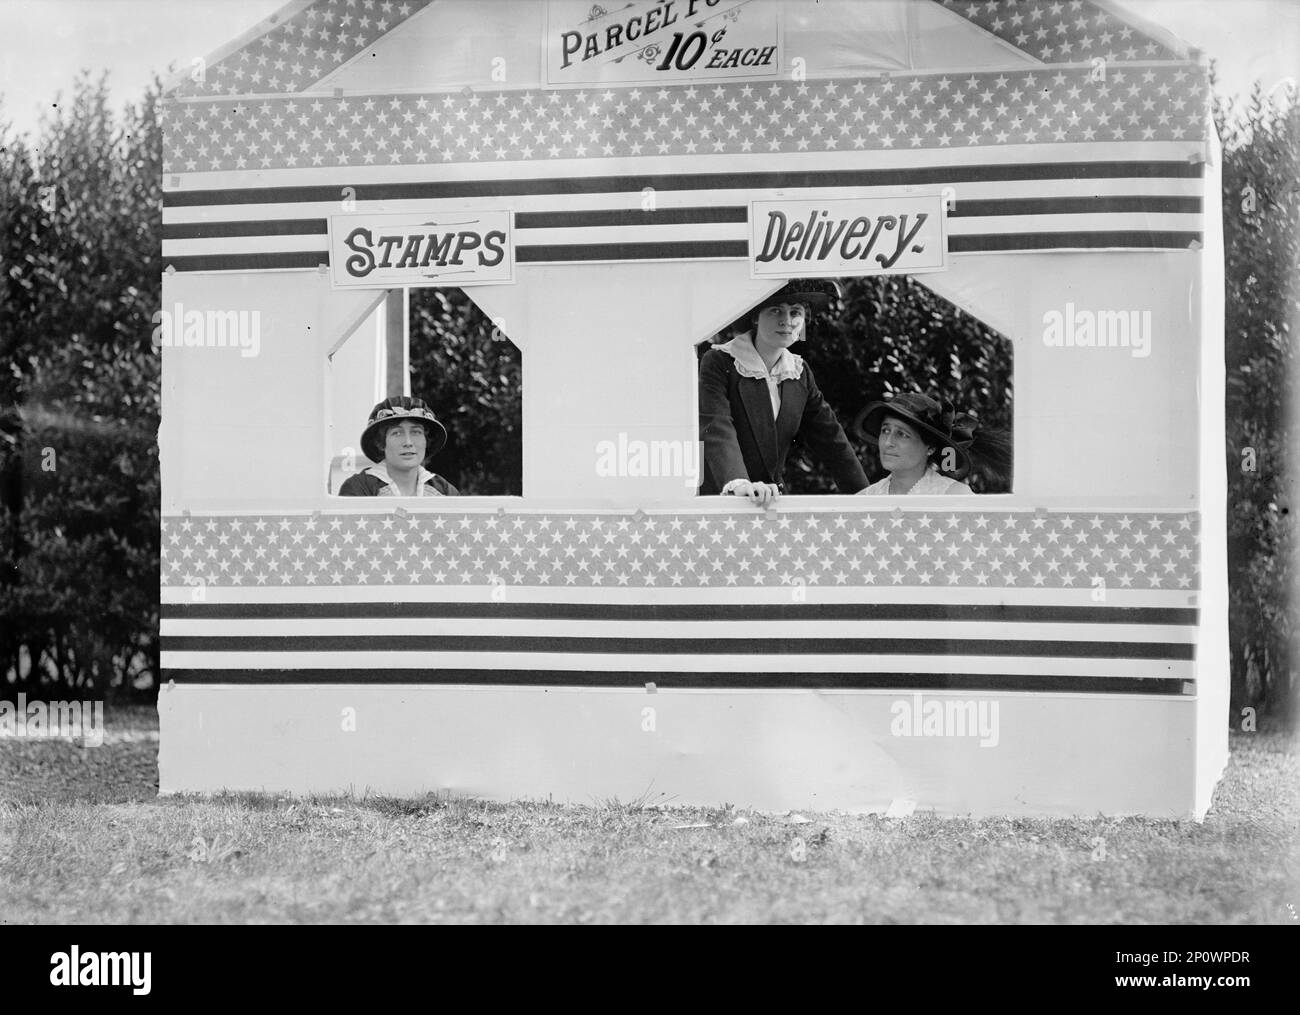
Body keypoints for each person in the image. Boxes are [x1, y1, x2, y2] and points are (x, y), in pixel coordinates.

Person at [699, 279, 868, 504]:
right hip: (725, 498)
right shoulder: (720, 362)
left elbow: (831, 440)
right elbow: (717, 426)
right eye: (776, 310)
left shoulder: (799, 372)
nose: (787, 321)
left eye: (795, 312)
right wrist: (739, 484)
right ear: (756, 317)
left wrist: (867, 498)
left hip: (772, 501)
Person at [853, 392, 1011, 495]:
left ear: (931, 447)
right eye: (885, 431)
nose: (888, 442)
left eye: (902, 434)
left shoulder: (953, 496)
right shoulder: (866, 498)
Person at [338, 395, 459, 496]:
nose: (408, 442)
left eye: (416, 432)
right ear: (380, 443)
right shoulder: (359, 489)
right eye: (397, 433)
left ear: (426, 441)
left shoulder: (445, 492)